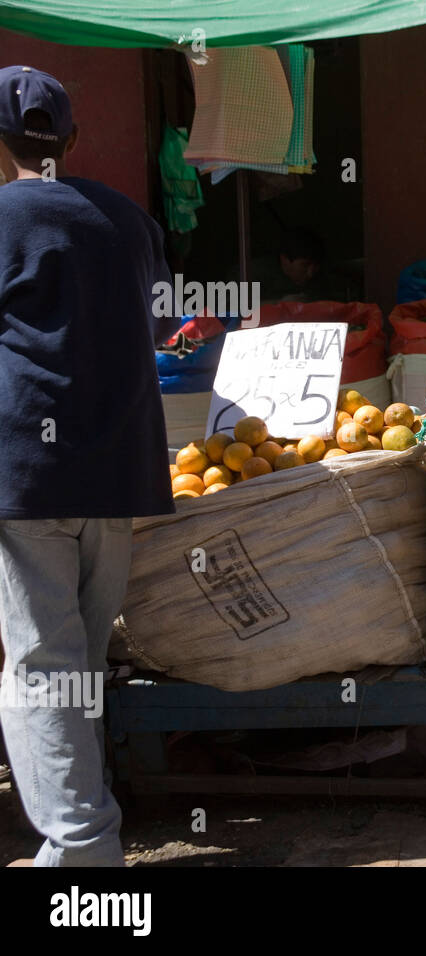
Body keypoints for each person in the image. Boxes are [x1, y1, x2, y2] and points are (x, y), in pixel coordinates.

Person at [0, 66, 177, 866]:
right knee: (78, 663)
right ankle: (88, 818)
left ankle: (81, 850)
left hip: (28, 477)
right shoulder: (129, 220)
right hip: (119, 473)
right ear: (71, 140)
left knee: (42, 665)